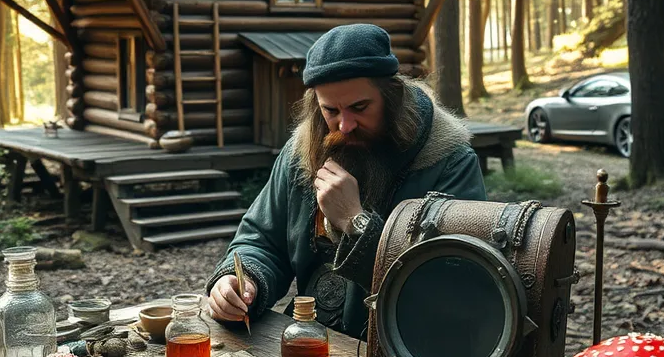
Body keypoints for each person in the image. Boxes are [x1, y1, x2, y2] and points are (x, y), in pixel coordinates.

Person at [207, 23, 485, 337]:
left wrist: (356, 222)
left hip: (405, 352)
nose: (345, 124)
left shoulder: (449, 162)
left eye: (360, 107)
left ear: (392, 95)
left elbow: (457, 288)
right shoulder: (300, 153)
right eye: (330, 110)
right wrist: (240, 281)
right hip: (309, 339)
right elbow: (262, 241)